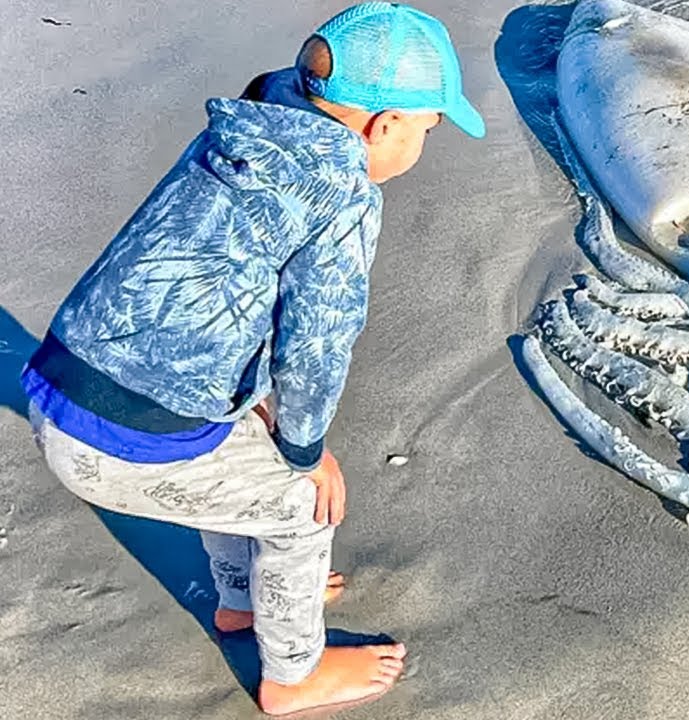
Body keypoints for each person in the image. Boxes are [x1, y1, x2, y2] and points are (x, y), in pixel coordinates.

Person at [20, 2, 484, 714]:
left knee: (242, 432)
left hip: (59, 381)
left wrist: (264, 414)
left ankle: (243, 602)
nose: (421, 145)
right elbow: (318, 340)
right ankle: (293, 674)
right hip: (122, 439)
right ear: (384, 126)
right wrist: (305, 451)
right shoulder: (342, 191)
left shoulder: (245, 125)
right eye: (426, 129)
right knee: (304, 506)